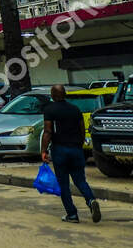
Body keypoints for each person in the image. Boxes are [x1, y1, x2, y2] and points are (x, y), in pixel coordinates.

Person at [41, 84, 100, 223]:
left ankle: (72, 214)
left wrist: (43, 150)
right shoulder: (75, 109)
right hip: (76, 150)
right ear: (65, 94)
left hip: (60, 150)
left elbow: (48, 131)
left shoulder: (49, 109)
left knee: (64, 184)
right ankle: (91, 200)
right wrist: (78, 145)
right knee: (80, 180)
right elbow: (82, 129)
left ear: (52, 95)